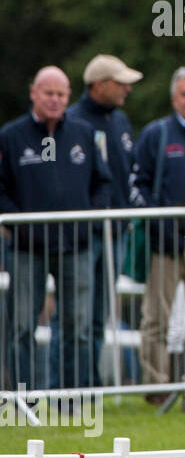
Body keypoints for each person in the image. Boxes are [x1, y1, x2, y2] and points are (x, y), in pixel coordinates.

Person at [0, 66, 111, 389]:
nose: (55, 100)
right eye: (48, 93)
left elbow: (103, 182)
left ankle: (72, 398)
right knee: (22, 326)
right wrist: (20, 225)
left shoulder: (84, 133)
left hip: (76, 245)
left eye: (61, 94)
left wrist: (89, 216)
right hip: (26, 248)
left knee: (78, 327)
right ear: (34, 92)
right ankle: (24, 399)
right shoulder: (11, 136)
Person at [129, 67, 185, 404]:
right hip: (166, 246)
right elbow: (138, 184)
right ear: (174, 98)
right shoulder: (157, 134)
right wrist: (157, 221)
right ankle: (156, 388)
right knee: (157, 318)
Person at [64, 53, 143, 383]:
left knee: (99, 317)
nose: (127, 88)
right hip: (85, 234)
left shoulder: (121, 121)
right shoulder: (72, 122)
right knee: (74, 317)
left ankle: (91, 386)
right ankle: (66, 387)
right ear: (99, 85)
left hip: (117, 231)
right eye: (120, 82)